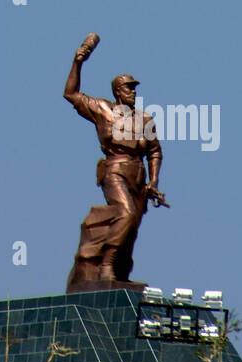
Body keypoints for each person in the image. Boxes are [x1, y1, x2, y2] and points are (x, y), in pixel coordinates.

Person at [63, 33, 168, 289]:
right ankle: (106, 266)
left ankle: (118, 269)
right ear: (117, 92)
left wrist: (153, 181)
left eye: (134, 88)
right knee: (126, 214)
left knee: (131, 229)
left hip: (138, 176)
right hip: (115, 170)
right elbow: (70, 93)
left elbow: (154, 151)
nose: (133, 92)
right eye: (128, 88)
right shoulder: (102, 109)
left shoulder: (145, 119)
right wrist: (78, 62)